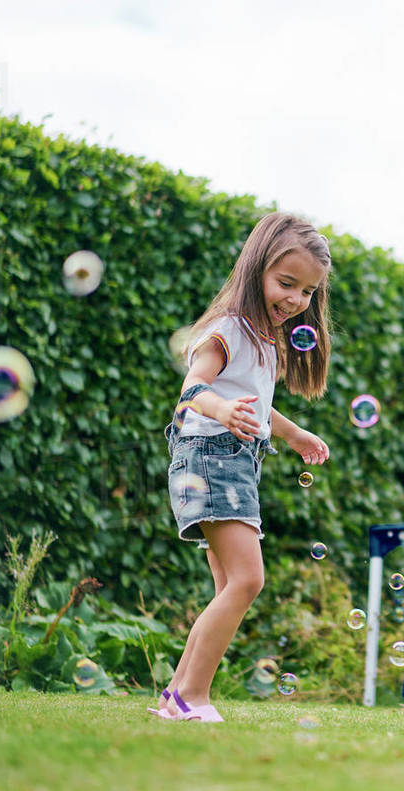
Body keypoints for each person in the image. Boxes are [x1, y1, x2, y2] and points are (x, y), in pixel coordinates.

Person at [147, 212, 333, 723]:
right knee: (248, 580)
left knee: (229, 585)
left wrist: (292, 433)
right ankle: (193, 697)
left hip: (231, 461)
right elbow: (192, 387)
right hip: (211, 457)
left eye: (308, 292)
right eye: (286, 283)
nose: (296, 299)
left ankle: (173, 694)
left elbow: (254, 400)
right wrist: (221, 410)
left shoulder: (264, 340)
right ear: (257, 271)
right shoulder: (228, 327)